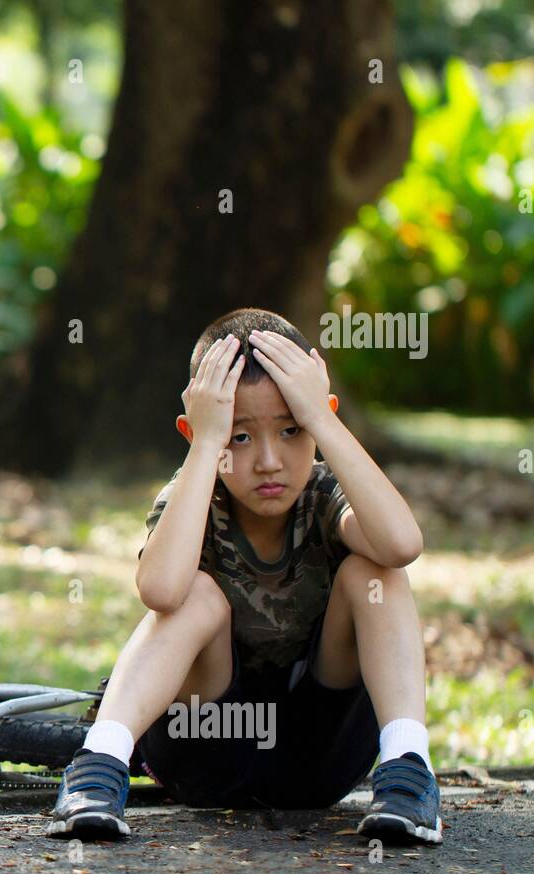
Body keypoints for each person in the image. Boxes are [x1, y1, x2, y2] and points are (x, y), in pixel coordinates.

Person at [47, 308, 442, 845]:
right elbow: (159, 591)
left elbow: (402, 545)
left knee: (378, 573)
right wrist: (206, 448)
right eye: (239, 437)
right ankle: (100, 763)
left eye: (291, 429)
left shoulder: (326, 497)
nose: (269, 461)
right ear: (199, 433)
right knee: (193, 594)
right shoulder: (195, 498)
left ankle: (408, 770)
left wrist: (324, 421)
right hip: (204, 749)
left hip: (317, 757)